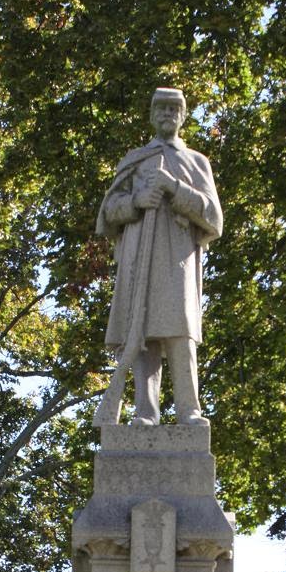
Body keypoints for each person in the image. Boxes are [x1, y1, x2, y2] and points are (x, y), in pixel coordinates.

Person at [94, 87, 223, 426]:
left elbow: (213, 218)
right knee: (142, 332)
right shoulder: (135, 160)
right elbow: (107, 213)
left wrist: (174, 188)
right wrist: (136, 202)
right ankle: (146, 412)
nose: (167, 114)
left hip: (178, 257)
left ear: (183, 116)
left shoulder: (197, 162)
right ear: (152, 115)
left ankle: (188, 410)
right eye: (161, 108)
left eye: (174, 108)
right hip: (140, 256)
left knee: (180, 331)